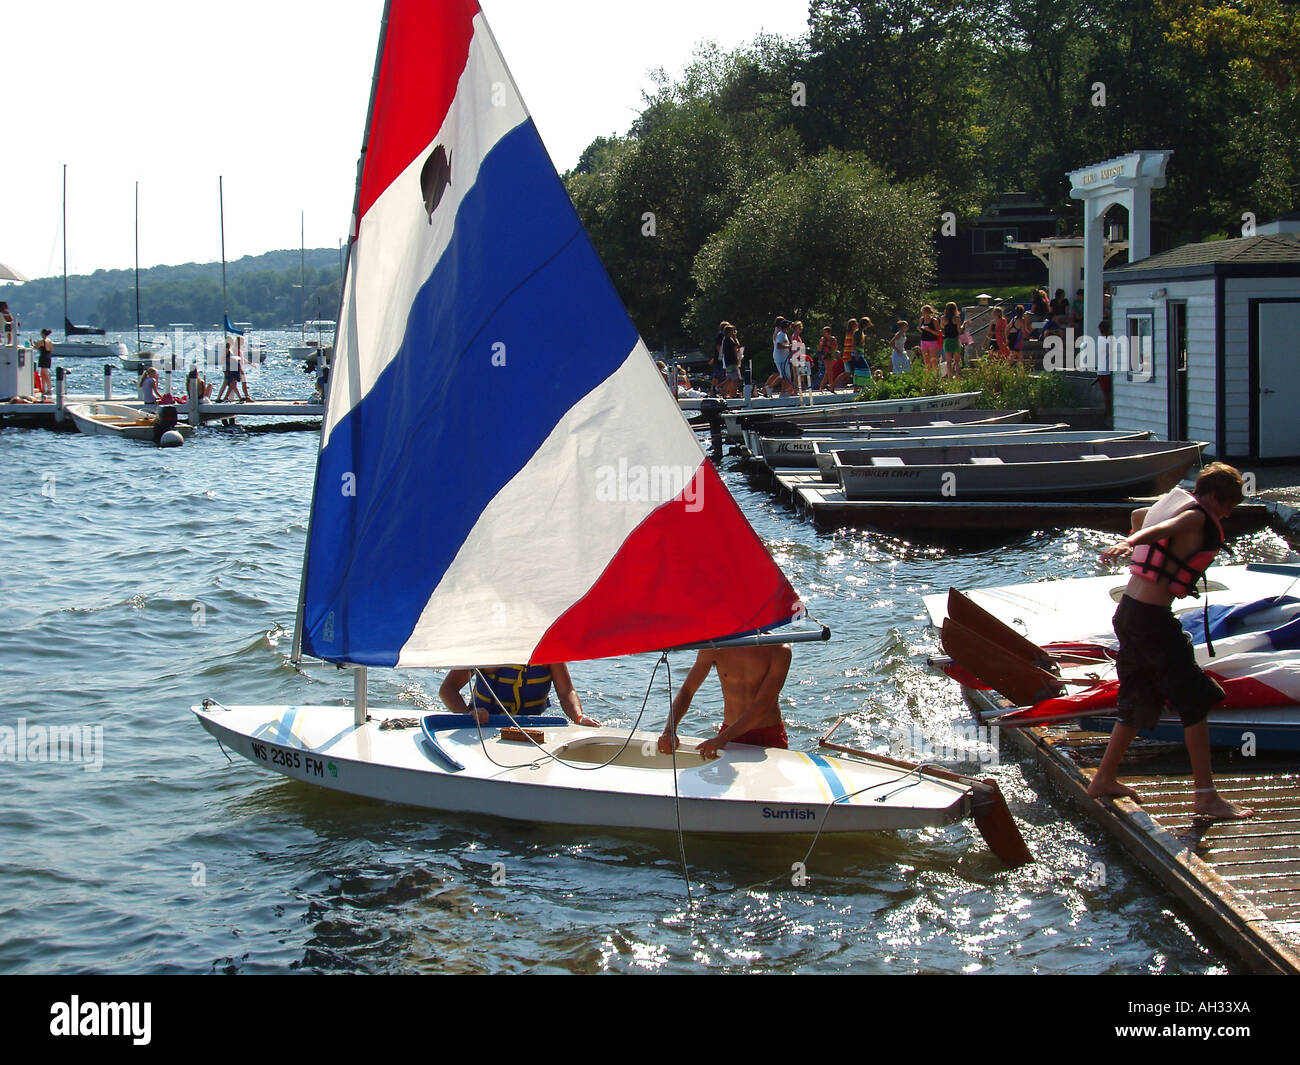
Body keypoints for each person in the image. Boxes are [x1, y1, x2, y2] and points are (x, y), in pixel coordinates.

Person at [1089, 463, 1252, 820]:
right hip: (1151, 622)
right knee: (1195, 700)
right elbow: (1167, 527)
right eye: (1228, 505)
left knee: (1138, 698)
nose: (1228, 513)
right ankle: (1206, 797)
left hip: (1130, 613)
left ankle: (1103, 779)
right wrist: (1131, 542)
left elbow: (1140, 514)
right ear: (1212, 497)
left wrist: (1138, 535)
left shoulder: (1177, 502)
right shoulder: (1194, 516)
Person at [657, 644, 792, 760]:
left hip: (767, 735)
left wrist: (721, 740)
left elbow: (762, 705)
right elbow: (687, 690)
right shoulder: (715, 647)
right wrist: (669, 730)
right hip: (729, 734)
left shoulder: (779, 650)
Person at [439, 664, 599, 727]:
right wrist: (468, 715)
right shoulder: (488, 652)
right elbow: (448, 689)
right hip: (483, 726)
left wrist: (579, 717)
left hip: (528, 728)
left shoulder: (549, 655)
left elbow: (566, 693)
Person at [941, 301, 963, 378]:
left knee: (948, 361)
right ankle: (958, 377)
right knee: (957, 361)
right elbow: (959, 330)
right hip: (956, 340)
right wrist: (964, 325)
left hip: (947, 340)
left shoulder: (943, 318)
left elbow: (943, 327)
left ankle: (950, 378)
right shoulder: (956, 318)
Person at [918, 306, 941, 372]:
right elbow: (921, 329)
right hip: (924, 341)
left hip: (932, 341)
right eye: (922, 312)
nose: (923, 314)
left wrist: (930, 330)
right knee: (926, 360)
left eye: (925, 312)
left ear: (929, 312)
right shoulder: (921, 319)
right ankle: (927, 377)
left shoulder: (934, 320)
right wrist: (920, 329)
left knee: (933, 360)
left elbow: (938, 333)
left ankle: (936, 376)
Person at [35, 328, 54, 394]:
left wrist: (32, 342)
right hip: (48, 357)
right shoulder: (49, 341)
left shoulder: (42, 341)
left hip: (43, 357)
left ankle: (49, 389)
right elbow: (51, 349)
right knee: (43, 374)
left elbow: (35, 347)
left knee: (45, 374)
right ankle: (43, 389)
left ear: (43, 334)